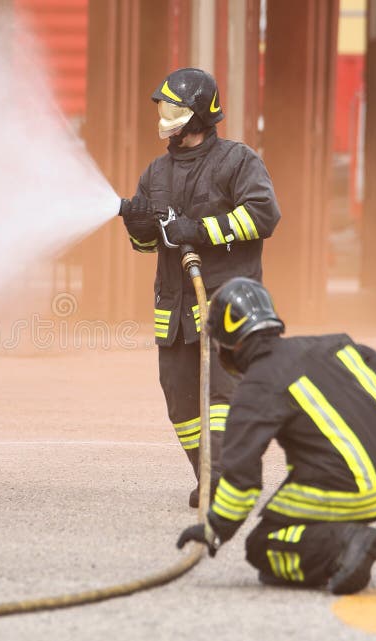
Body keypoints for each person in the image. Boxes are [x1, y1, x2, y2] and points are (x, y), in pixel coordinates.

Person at [177, 277, 376, 594]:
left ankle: (343, 545)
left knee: (263, 545)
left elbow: (241, 481)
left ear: (232, 343)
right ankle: (342, 532)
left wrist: (214, 530)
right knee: (296, 497)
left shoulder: (256, 387)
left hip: (359, 488)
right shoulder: (331, 344)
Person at [119, 67, 281, 507]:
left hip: (223, 306)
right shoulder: (156, 172)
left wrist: (201, 229)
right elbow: (148, 243)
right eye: (162, 106)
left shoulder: (237, 160)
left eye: (172, 107)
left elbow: (264, 216)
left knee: (223, 400)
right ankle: (206, 473)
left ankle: (225, 480)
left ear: (196, 114)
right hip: (174, 309)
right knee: (180, 403)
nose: (164, 114)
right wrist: (138, 226)